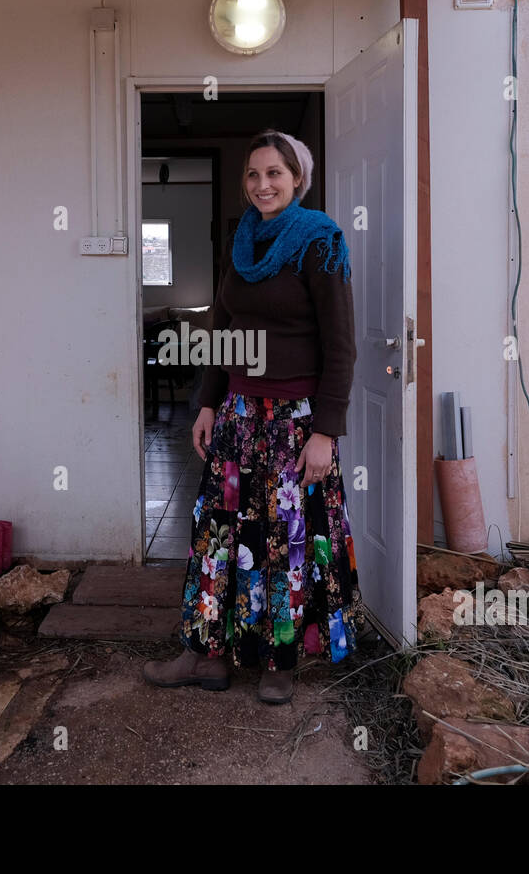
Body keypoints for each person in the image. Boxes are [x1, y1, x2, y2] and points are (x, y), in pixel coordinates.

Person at [142, 129, 365, 704]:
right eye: (253, 174)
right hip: (239, 417)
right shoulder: (241, 242)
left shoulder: (321, 241)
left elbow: (341, 345)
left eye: (275, 174)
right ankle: (206, 653)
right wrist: (208, 403)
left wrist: (326, 431)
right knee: (217, 532)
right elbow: (224, 330)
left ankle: (278, 660)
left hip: (295, 423)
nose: (263, 185)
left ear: (298, 180)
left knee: (284, 541)